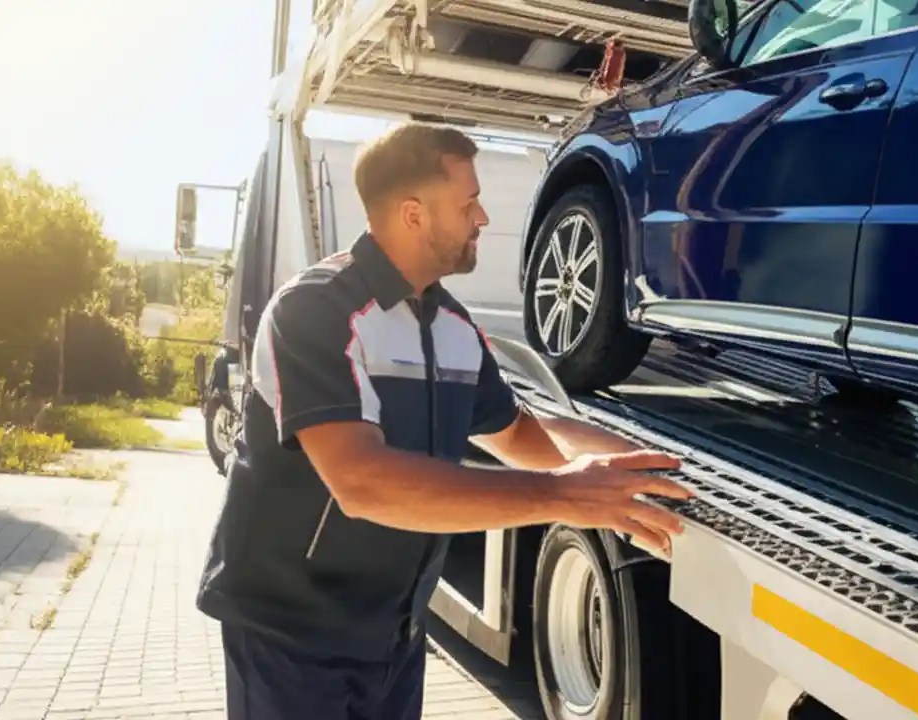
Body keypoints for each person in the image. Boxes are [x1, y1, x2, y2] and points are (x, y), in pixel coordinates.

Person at [194, 123, 694, 720]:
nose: (482, 216)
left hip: (395, 635)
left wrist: (640, 469)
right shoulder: (315, 312)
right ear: (413, 215)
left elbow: (523, 434)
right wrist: (564, 497)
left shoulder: (453, 327)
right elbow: (362, 482)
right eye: (468, 202)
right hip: (291, 637)